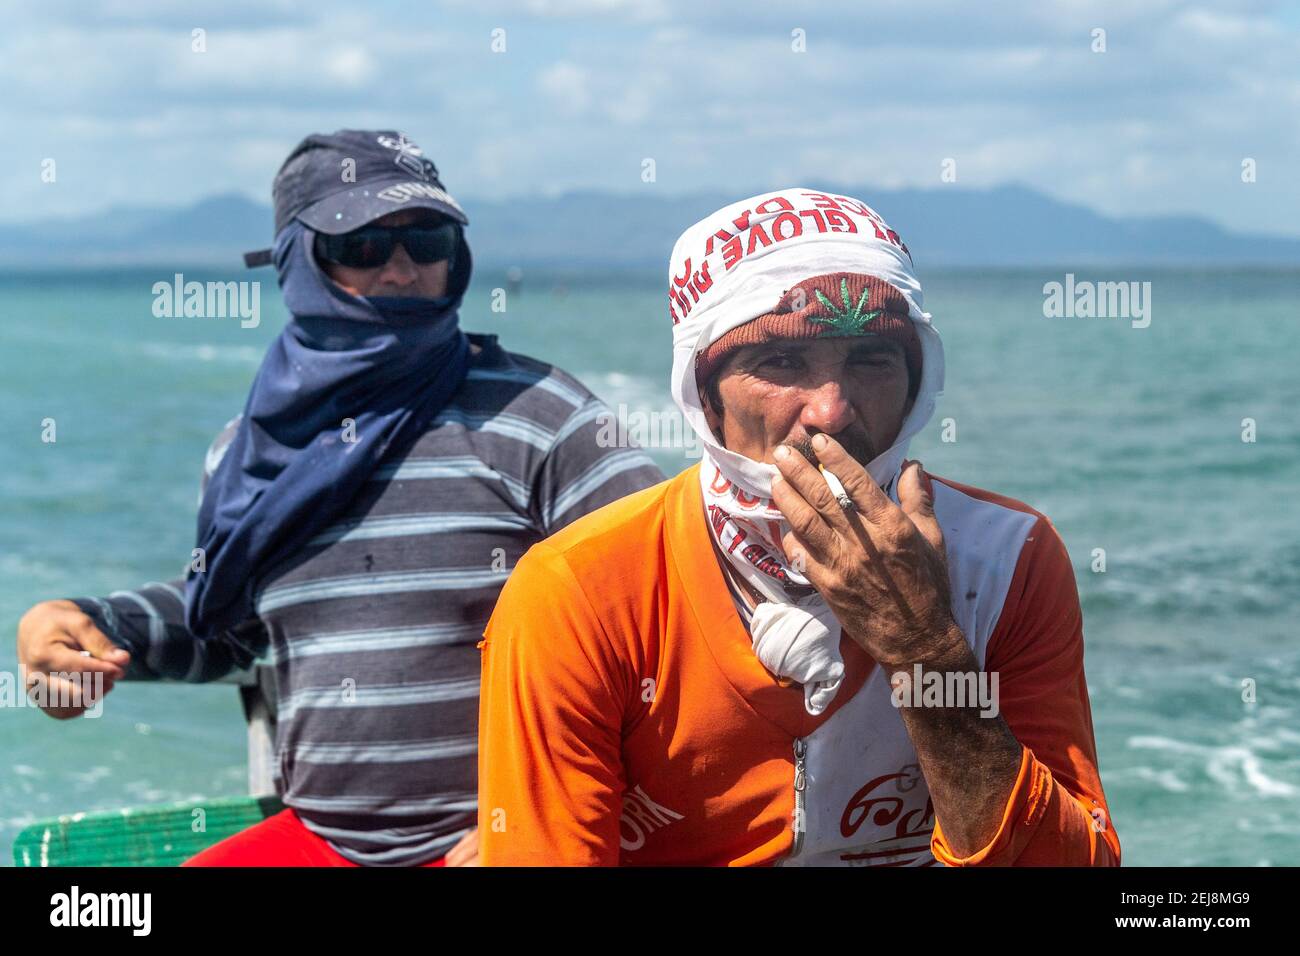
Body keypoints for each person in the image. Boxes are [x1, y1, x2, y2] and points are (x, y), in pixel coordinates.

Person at [15, 129, 663, 866]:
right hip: (323, 841)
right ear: (298, 263)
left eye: (428, 240)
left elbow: (670, 622)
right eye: (359, 246)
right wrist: (82, 624)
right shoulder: (251, 453)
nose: (401, 269)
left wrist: (540, 822)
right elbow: (232, 628)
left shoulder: (544, 418)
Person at [477, 188, 1120, 866]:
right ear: (704, 396)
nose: (831, 413)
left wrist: (926, 652)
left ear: (915, 383)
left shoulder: (1005, 560)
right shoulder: (582, 590)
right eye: (781, 363)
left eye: (871, 359)